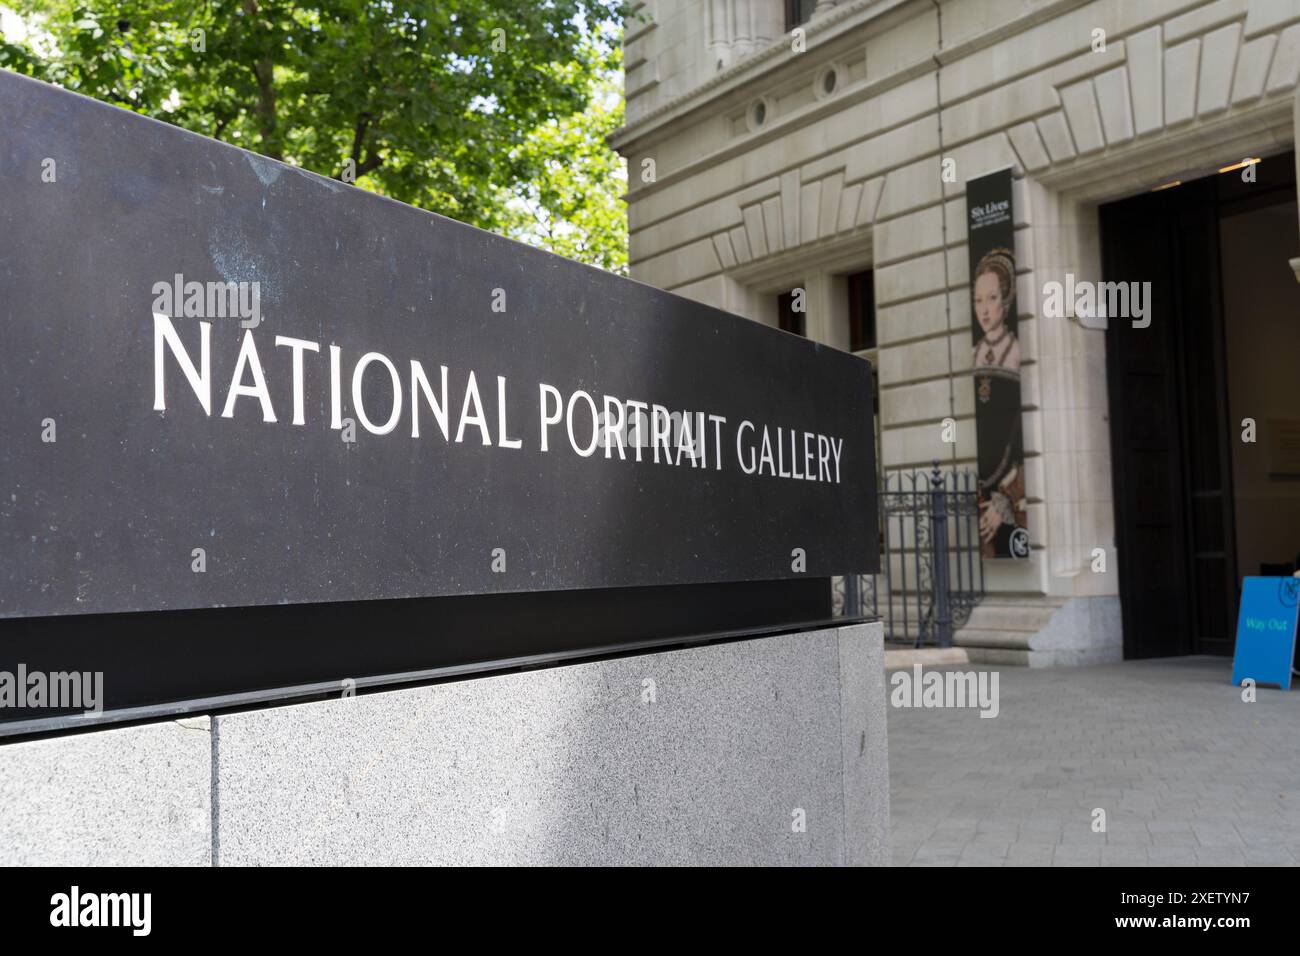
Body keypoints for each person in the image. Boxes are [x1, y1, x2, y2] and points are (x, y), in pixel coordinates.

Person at [969, 247, 1027, 557]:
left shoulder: (1017, 352)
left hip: (1010, 488)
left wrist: (1005, 498)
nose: (984, 309)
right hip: (982, 489)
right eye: (978, 300)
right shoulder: (972, 355)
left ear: (1005, 298)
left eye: (992, 298)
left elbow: (1021, 435)